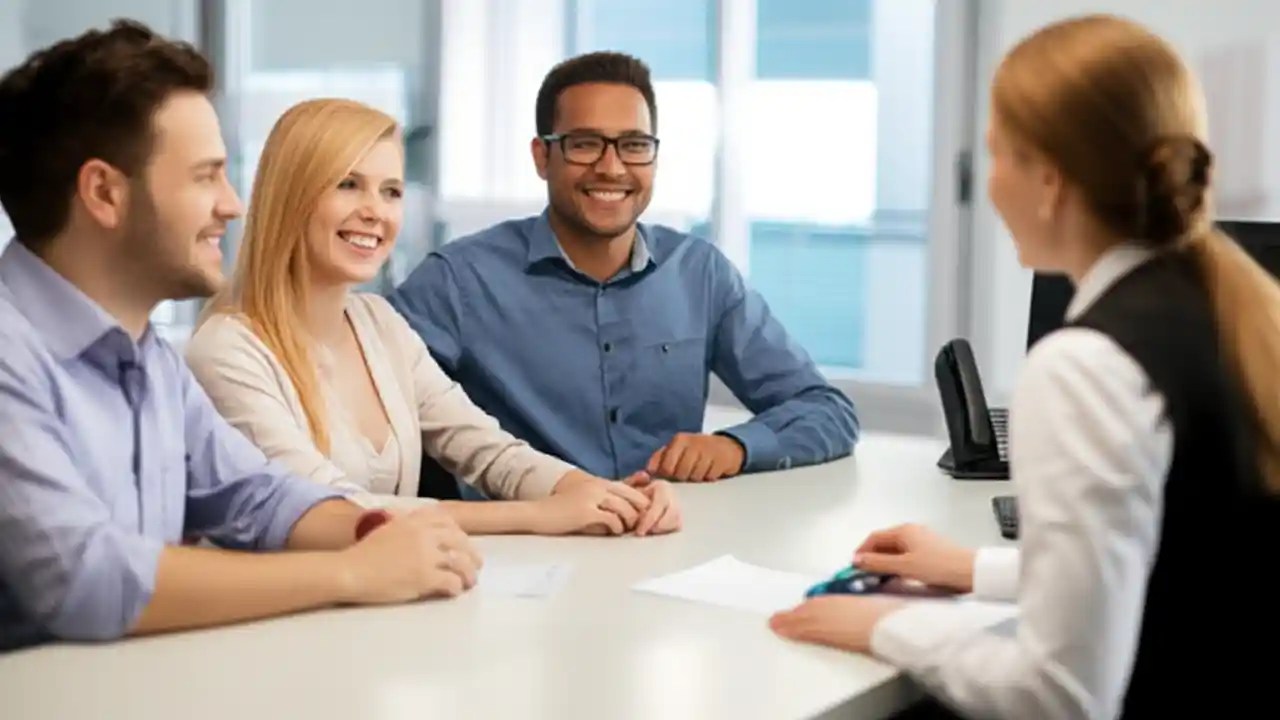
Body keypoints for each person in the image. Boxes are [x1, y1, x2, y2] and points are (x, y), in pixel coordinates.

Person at [769, 14, 1279, 719]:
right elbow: (1169, 563)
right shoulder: (1230, 308)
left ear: (1048, 179)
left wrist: (887, 627)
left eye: (997, 155)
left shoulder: (1086, 366)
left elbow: (1060, 696)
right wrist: (968, 568)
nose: (990, 184)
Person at [0, 21, 482, 651]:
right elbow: (84, 579)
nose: (232, 205)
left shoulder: (149, 360)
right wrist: (353, 571)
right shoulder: (12, 355)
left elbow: (255, 496)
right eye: (206, 176)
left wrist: (376, 532)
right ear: (104, 194)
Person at [185, 98, 681, 537]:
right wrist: (539, 515)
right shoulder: (228, 349)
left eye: (391, 191)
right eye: (348, 184)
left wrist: (606, 496)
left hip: (390, 601)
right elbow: (325, 510)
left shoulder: (378, 322)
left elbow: (489, 450)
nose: (375, 211)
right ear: (291, 196)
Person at [387, 51, 858, 488]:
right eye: (585, 144)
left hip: (665, 541)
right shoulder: (458, 282)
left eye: (634, 145)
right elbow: (363, 402)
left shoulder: (700, 273)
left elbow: (826, 410)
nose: (612, 168)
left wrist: (735, 446)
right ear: (541, 156)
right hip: (523, 548)